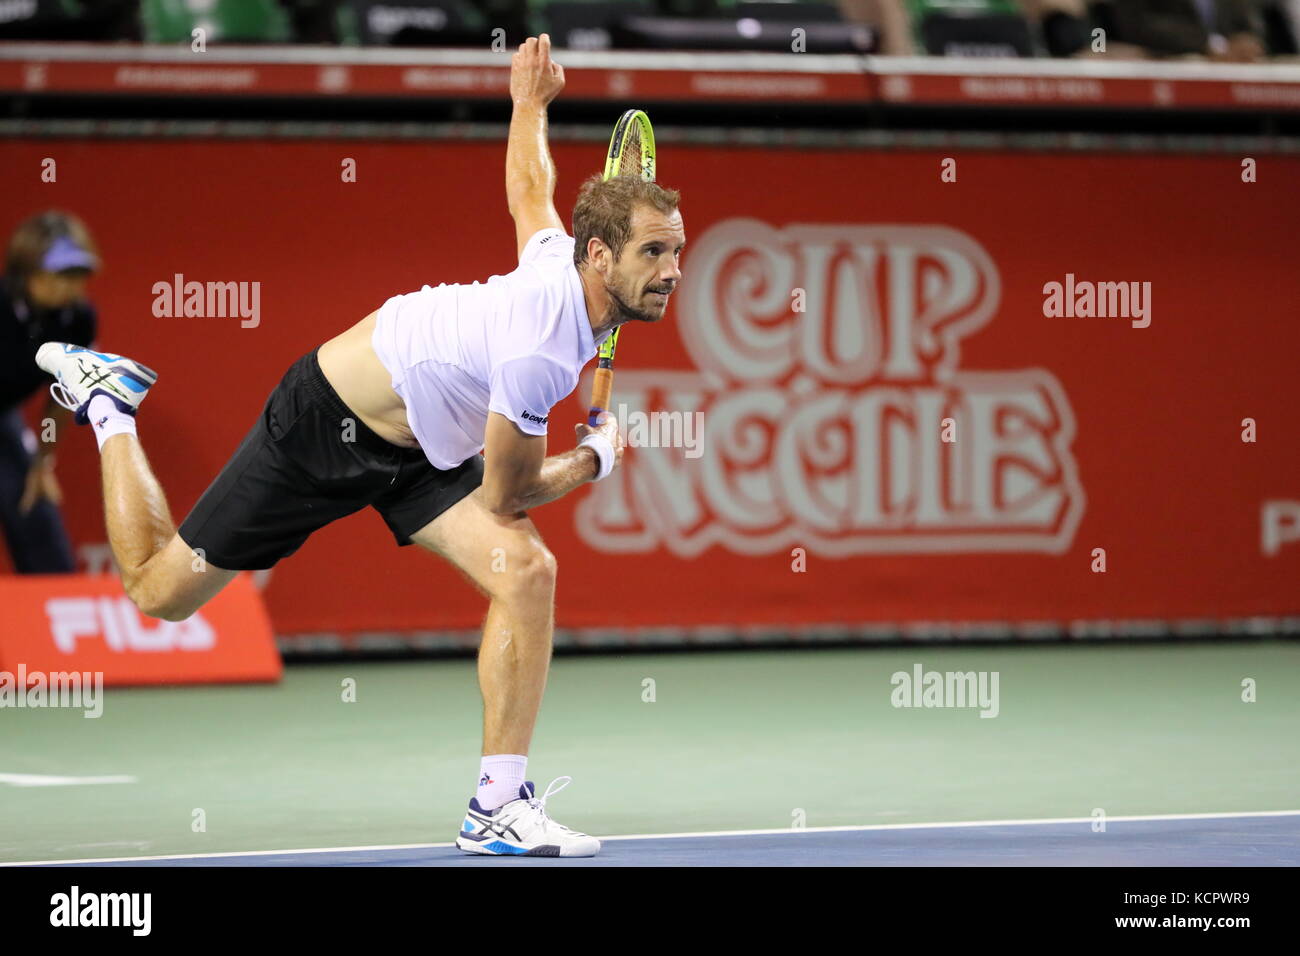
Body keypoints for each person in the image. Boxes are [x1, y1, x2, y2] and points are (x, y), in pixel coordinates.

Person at [37, 34, 684, 858]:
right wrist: (595, 459)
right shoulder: (541, 346)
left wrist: (528, 103)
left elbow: (531, 191)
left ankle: (495, 808)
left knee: (526, 573)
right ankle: (109, 408)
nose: (672, 270)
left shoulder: (564, 261)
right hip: (328, 419)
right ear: (600, 256)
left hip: (423, 442)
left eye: (676, 249)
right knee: (161, 592)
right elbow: (507, 494)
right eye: (653, 253)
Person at [1, 211, 100, 574]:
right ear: (25, 272)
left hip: (3, 418)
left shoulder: (77, 319)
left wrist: (42, 461)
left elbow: (61, 395)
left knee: (32, 501)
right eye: (59, 274)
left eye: (77, 275)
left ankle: (53, 604)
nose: (69, 286)